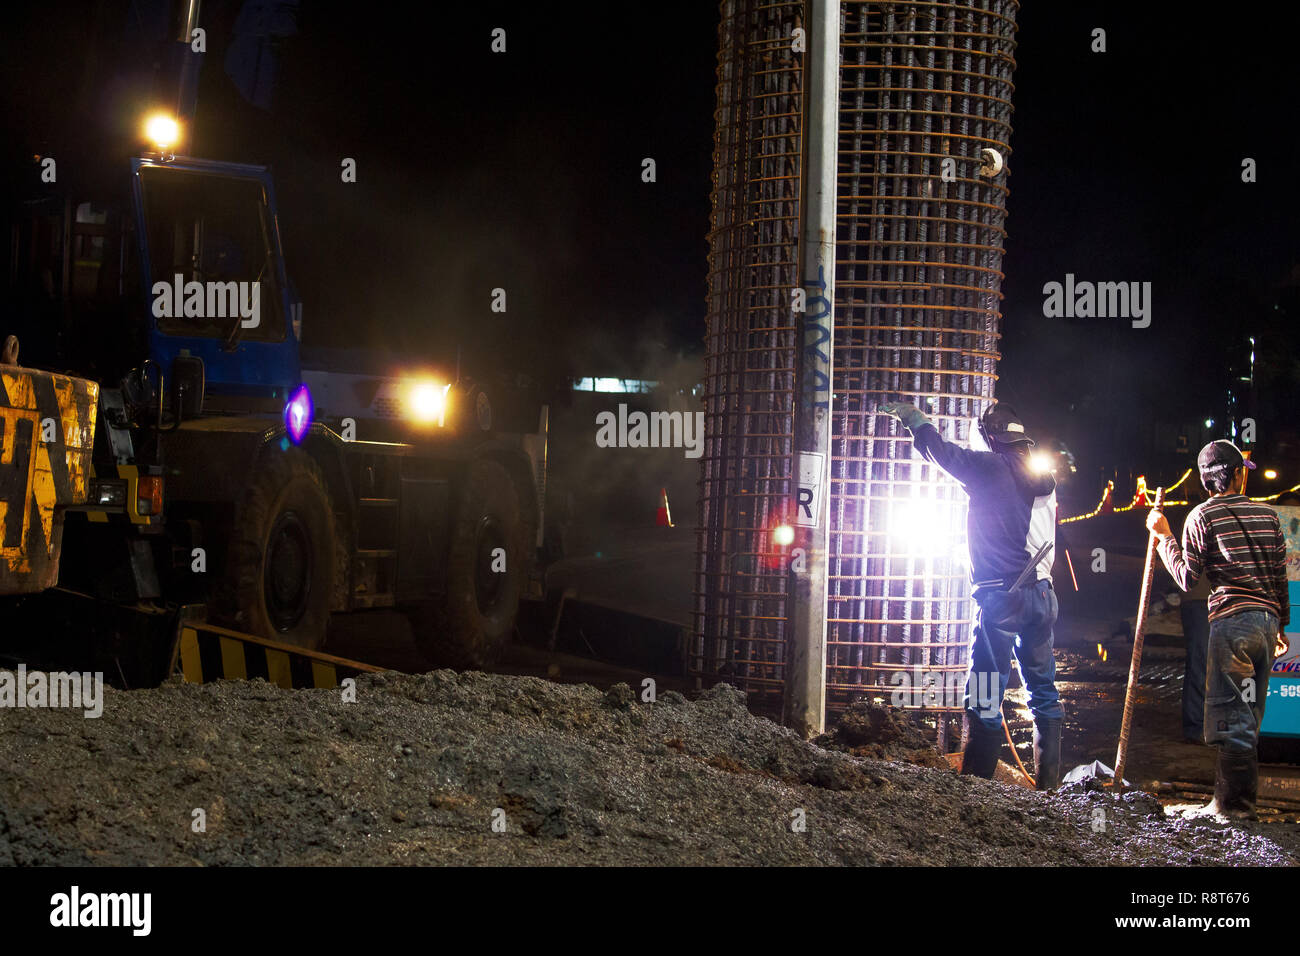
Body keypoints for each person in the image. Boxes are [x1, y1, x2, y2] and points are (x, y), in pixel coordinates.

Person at [881, 400, 1064, 789]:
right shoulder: (1043, 474)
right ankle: (1049, 789)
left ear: (991, 438)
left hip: (1003, 598)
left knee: (983, 691)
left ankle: (977, 788)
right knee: (1044, 691)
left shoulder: (993, 466)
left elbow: (943, 455)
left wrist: (918, 423)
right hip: (1043, 596)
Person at [1147, 439, 1291, 820]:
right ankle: (1234, 803)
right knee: (1251, 714)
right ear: (1236, 475)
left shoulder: (1202, 517)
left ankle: (1233, 808)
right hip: (1266, 624)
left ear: (1206, 480)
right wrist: (1282, 627)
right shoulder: (1268, 517)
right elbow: (1280, 576)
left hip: (1233, 625)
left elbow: (1186, 576)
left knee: (1233, 715)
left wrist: (1164, 537)